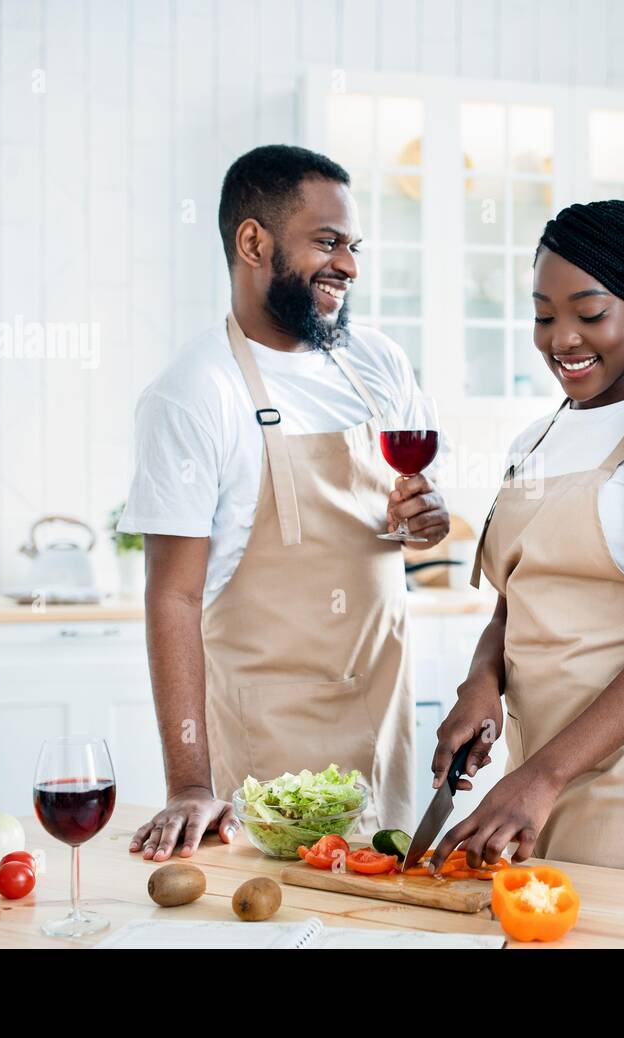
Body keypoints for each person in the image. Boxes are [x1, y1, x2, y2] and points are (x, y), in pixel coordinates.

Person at [118, 145, 449, 860]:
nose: (350, 265)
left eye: (353, 245)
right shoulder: (193, 392)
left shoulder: (378, 363)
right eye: (327, 242)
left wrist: (428, 518)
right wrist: (187, 784)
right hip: (270, 766)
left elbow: (413, 513)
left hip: (383, 733)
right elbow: (171, 598)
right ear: (252, 241)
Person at [429, 199, 624, 880]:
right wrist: (480, 686)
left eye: (589, 313)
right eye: (544, 316)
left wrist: (542, 777)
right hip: (538, 769)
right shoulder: (535, 440)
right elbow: (514, 605)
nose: (562, 338)